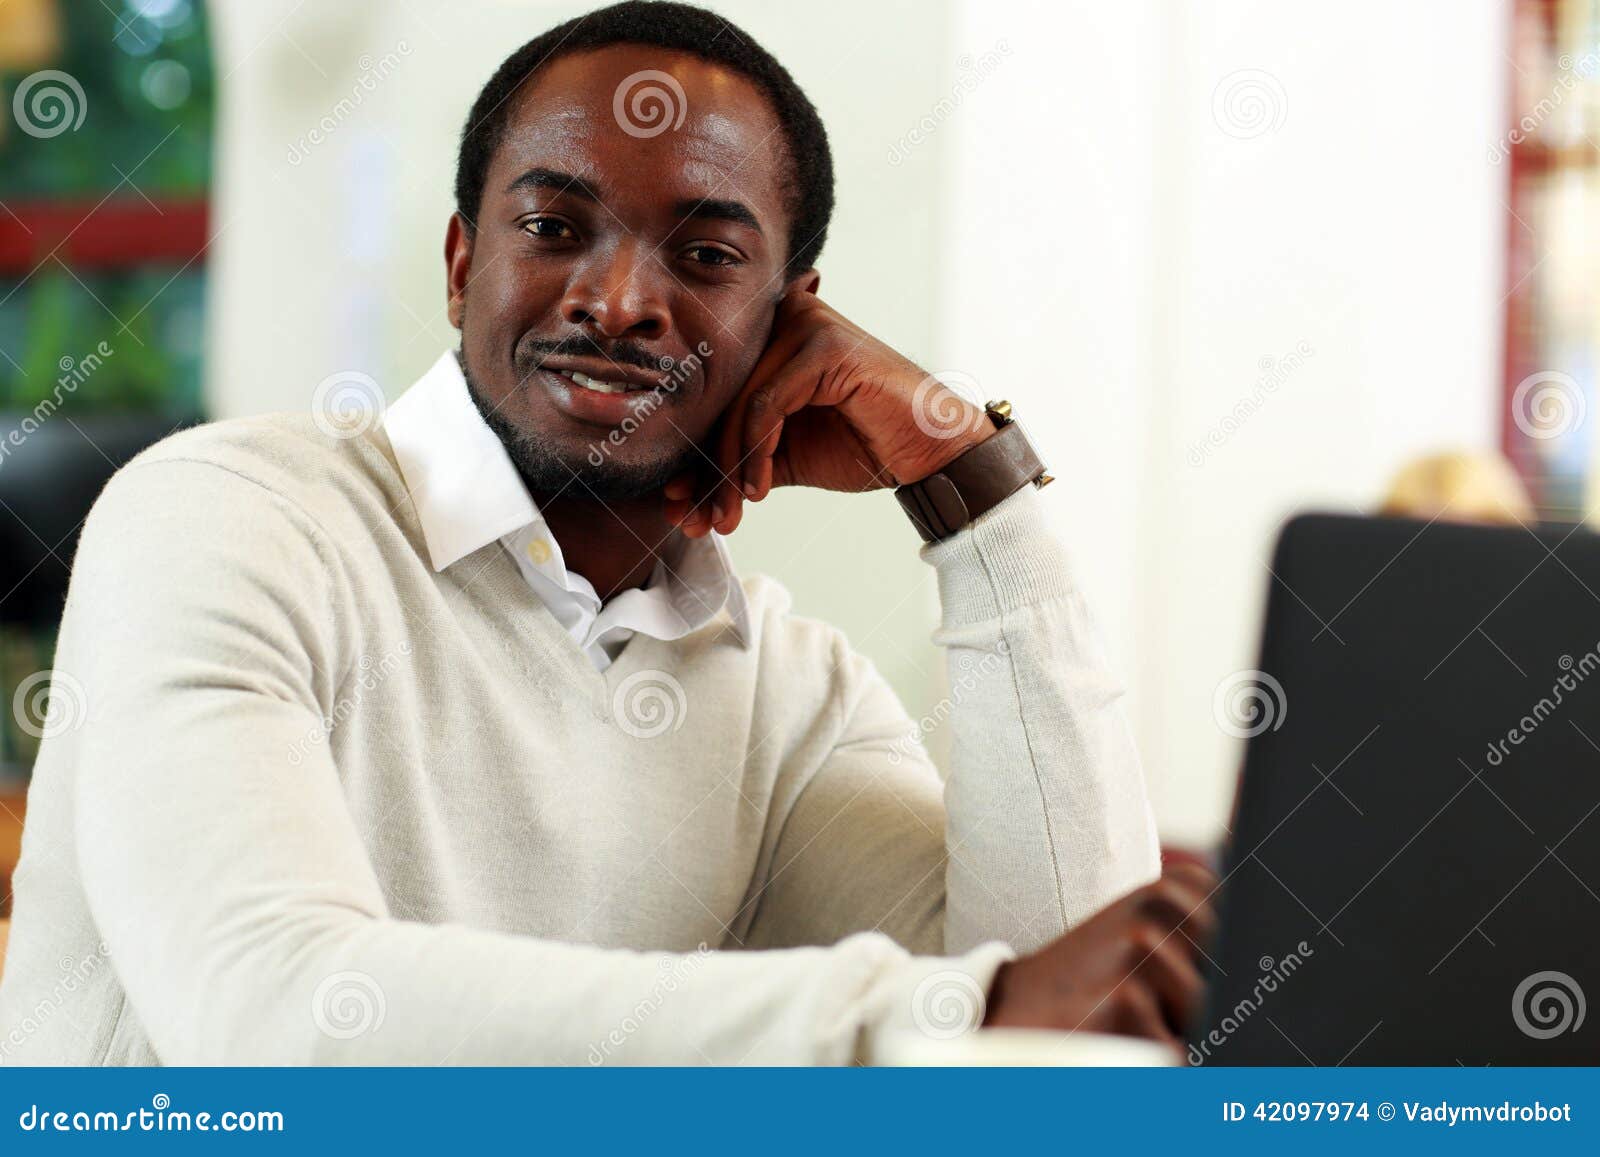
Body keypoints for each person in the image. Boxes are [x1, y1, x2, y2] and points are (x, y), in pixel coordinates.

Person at [0, 0, 1213, 1065]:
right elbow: (273, 1013)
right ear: (462, 260)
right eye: (554, 227)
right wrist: (915, 1017)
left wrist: (973, 489)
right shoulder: (224, 514)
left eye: (705, 255)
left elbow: (1063, 1020)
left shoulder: (792, 693)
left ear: (790, 327)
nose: (619, 299)